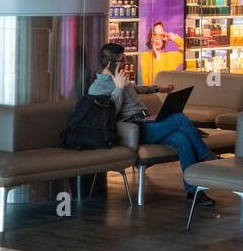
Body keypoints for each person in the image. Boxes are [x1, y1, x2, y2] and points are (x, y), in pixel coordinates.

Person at [89, 42, 217, 206]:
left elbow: (136, 88)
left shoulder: (119, 77)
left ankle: (194, 192)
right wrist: (118, 89)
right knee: (179, 118)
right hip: (133, 130)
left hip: (145, 122)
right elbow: (108, 114)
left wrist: (158, 88)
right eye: (122, 59)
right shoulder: (97, 87)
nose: (126, 62)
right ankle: (207, 157)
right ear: (109, 63)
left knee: (181, 139)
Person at [140, 20, 185, 84]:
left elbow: (187, 51)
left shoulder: (171, 56)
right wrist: (157, 58)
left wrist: (174, 38)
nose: (157, 38)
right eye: (154, 34)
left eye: (161, 35)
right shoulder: (145, 56)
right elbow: (147, 85)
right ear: (151, 38)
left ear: (164, 39)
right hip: (153, 93)